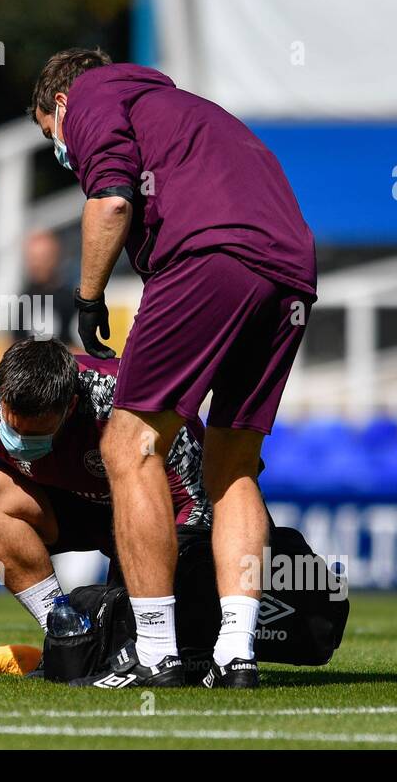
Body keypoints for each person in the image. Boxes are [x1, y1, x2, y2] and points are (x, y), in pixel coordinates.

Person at [28, 48, 316, 688]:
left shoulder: (95, 94)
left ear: (62, 104)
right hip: (292, 272)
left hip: (211, 258)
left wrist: (87, 295)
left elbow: (111, 201)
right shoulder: (187, 110)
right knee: (232, 464)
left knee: (129, 444)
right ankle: (236, 652)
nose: (62, 148)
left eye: (52, 135)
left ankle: (155, 651)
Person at [0, 337, 211, 636]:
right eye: (13, 424)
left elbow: (197, 499)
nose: (22, 440)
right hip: (61, 514)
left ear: (71, 406)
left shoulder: (127, 403)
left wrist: (165, 581)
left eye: (38, 432)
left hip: (148, 519)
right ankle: (64, 629)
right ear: (1, 396)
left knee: (129, 630)